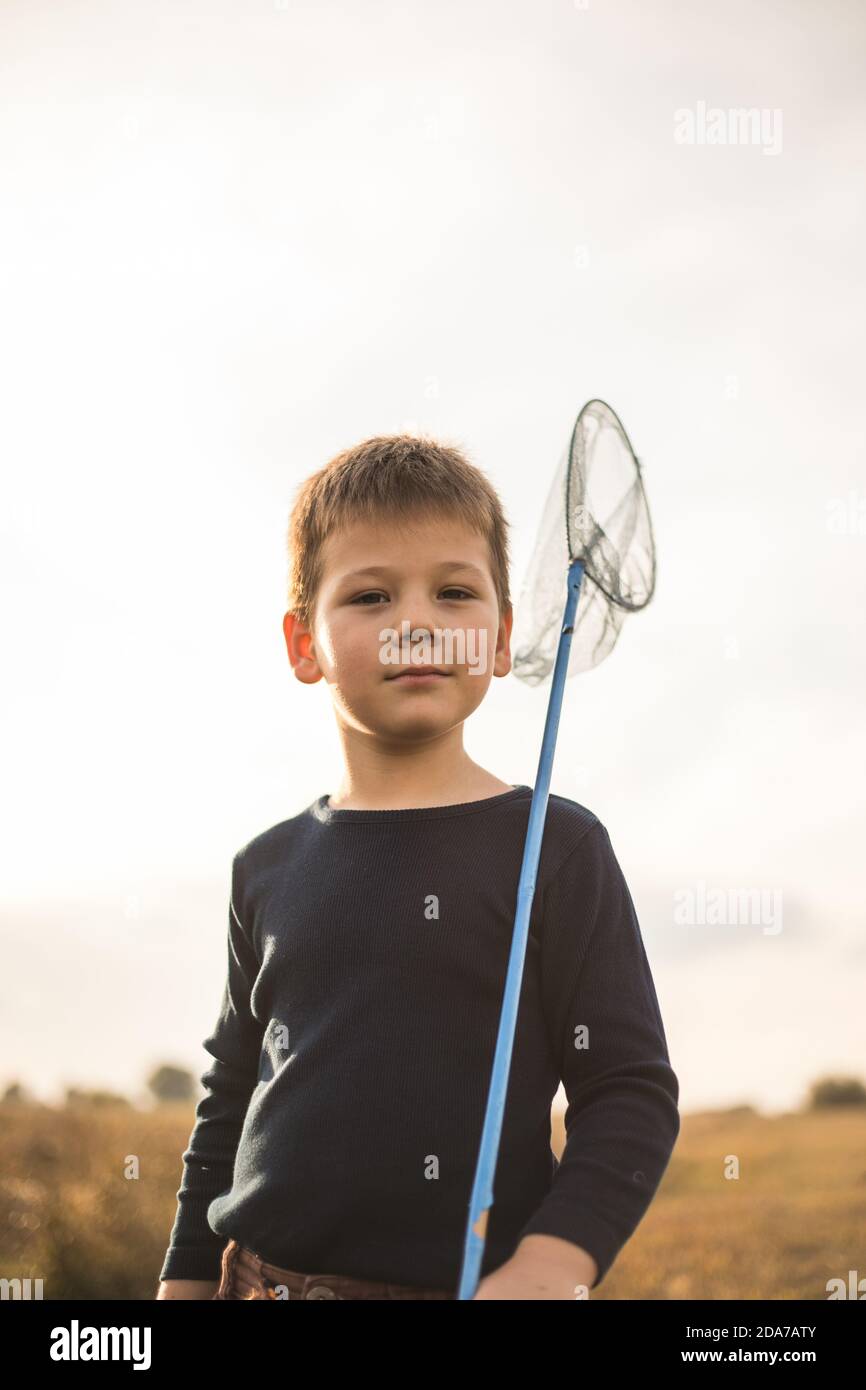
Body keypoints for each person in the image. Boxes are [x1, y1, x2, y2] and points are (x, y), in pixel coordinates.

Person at [155, 433, 679, 1300]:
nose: (416, 622)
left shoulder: (558, 847)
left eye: (454, 592)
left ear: (503, 639)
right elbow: (231, 1095)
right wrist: (182, 1279)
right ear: (303, 645)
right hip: (255, 1284)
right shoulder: (265, 868)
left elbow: (627, 1089)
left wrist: (553, 1263)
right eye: (369, 595)